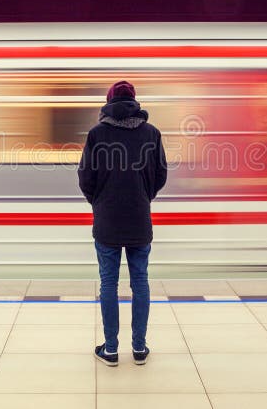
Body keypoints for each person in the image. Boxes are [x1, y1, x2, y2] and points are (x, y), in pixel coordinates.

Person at [78, 80, 167, 367]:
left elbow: (85, 178)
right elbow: (161, 175)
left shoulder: (96, 134)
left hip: (107, 221)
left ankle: (112, 350)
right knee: (140, 282)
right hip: (140, 217)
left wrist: (100, 201)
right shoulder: (151, 133)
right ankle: (139, 348)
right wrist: (143, 196)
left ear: (109, 102)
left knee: (108, 283)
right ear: (135, 102)